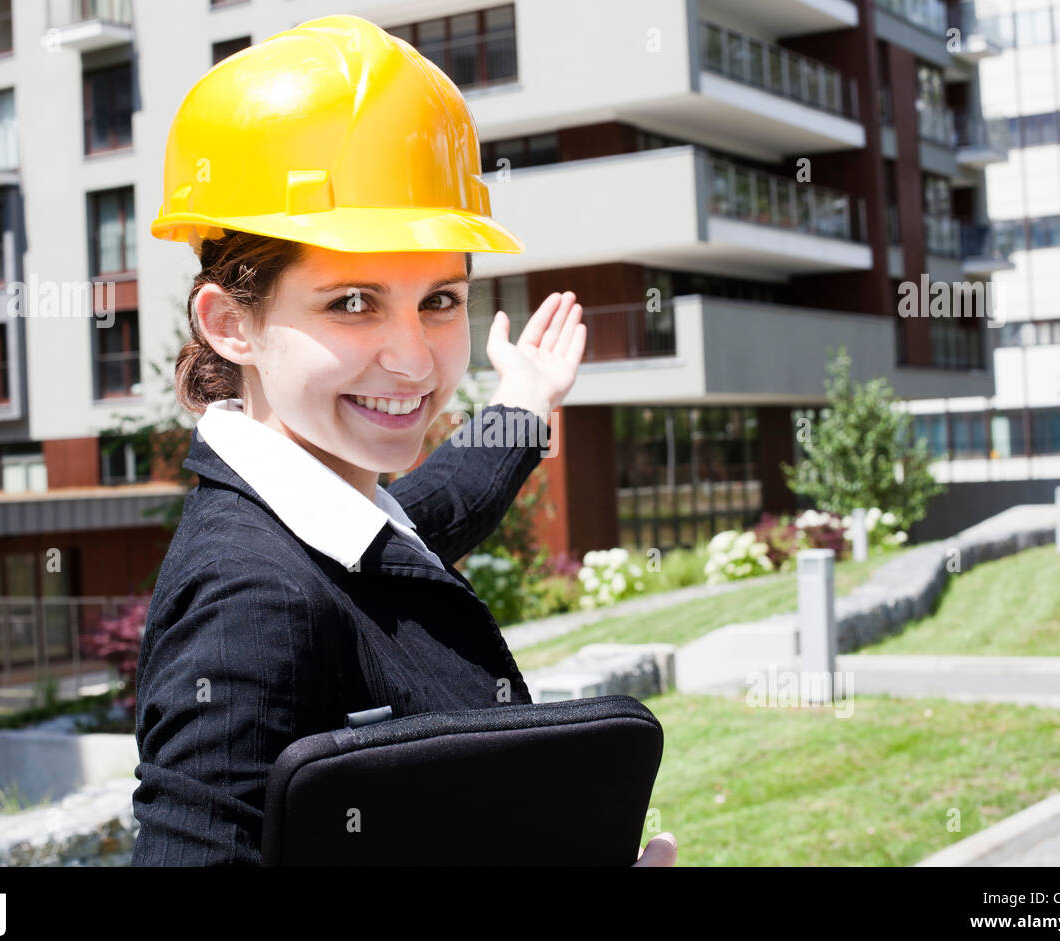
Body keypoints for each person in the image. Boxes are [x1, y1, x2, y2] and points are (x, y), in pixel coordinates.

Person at [130, 13, 676, 867]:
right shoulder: (248, 601)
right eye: (353, 302)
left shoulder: (335, 521)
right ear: (231, 321)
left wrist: (525, 401)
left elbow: (439, 504)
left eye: (440, 300)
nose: (415, 358)